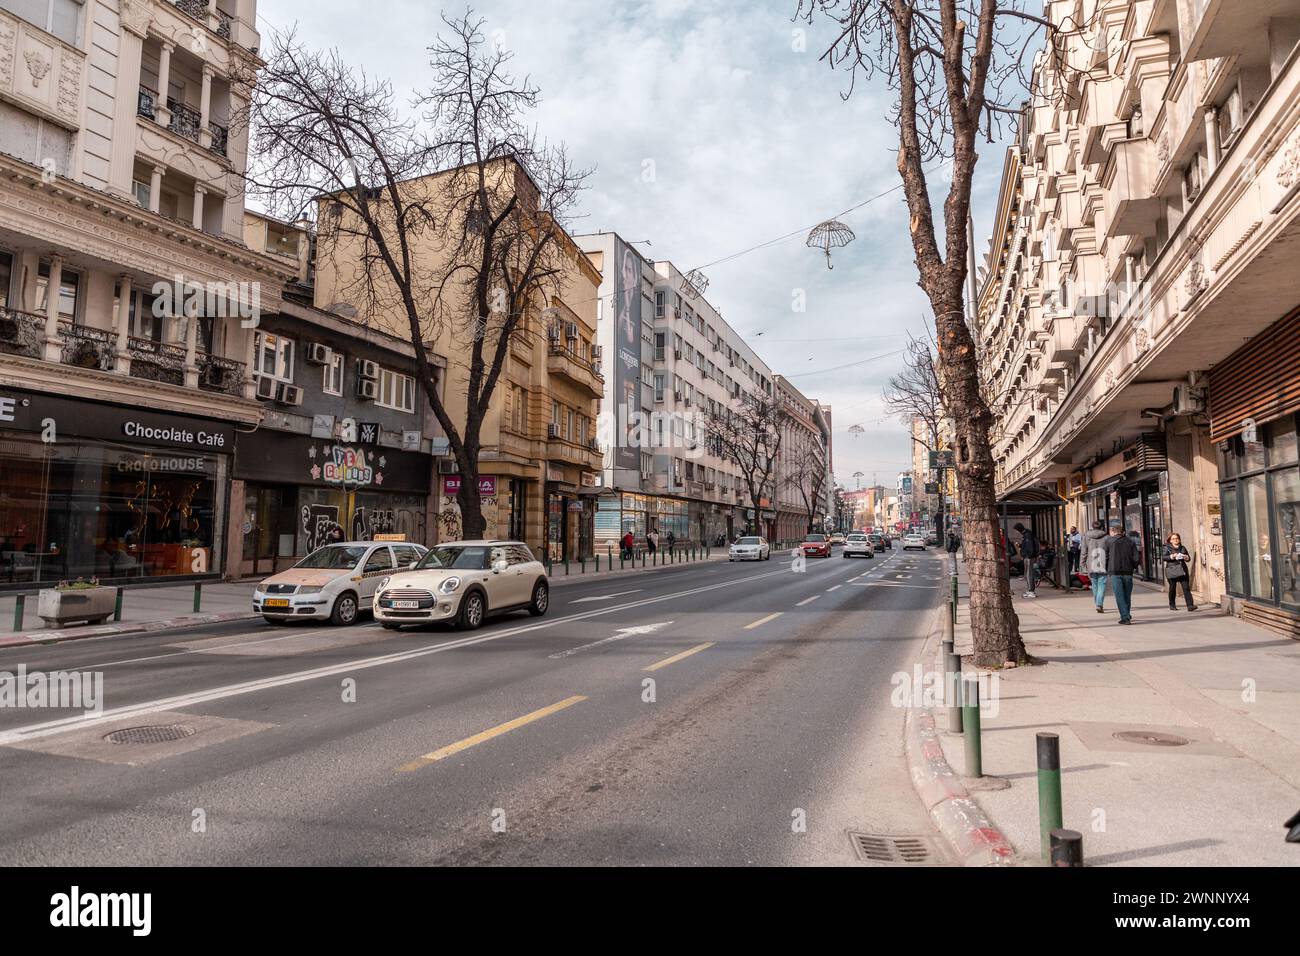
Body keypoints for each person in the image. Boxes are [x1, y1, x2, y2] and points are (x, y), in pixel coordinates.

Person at [1103, 521, 1142, 624]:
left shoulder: (1109, 541)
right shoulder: (1131, 542)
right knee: (1126, 595)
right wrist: (1133, 567)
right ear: (1123, 532)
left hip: (1115, 571)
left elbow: (1105, 557)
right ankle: (1127, 614)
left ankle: (1125, 617)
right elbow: (1136, 558)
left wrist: (1108, 568)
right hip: (1128, 572)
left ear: (1113, 532)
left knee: (1119, 595)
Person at [1163, 533, 1198, 612]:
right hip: (1172, 570)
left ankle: (1190, 606)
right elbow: (1163, 557)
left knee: (1186, 588)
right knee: (1172, 588)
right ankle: (1172, 605)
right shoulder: (1167, 548)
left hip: (1182, 571)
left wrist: (1186, 557)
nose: (1175, 540)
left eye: (1177, 538)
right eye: (1173, 539)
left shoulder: (1182, 548)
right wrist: (1171, 556)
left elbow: (1188, 558)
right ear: (1170, 540)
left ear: (1179, 539)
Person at [1085, 520, 1109, 611]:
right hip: (1102, 563)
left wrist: (1082, 564)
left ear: (1092, 527)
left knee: (1094, 584)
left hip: (1091, 563)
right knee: (1102, 584)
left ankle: (1097, 603)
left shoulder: (1087, 536)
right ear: (1102, 527)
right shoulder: (1106, 537)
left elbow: (1084, 551)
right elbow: (1109, 551)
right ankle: (1099, 604)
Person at [1014, 522, 1040, 597]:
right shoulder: (1027, 534)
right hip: (1029, 556)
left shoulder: (1027, 535)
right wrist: (1021, 545)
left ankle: (1031, 591)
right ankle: (1030, 590)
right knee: (1028, 574)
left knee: (1029, 574)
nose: (1016, 532)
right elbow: (1027, 545)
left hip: (1029, 557)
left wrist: (1028, 555)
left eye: (1016, 530)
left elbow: (1029, 546)